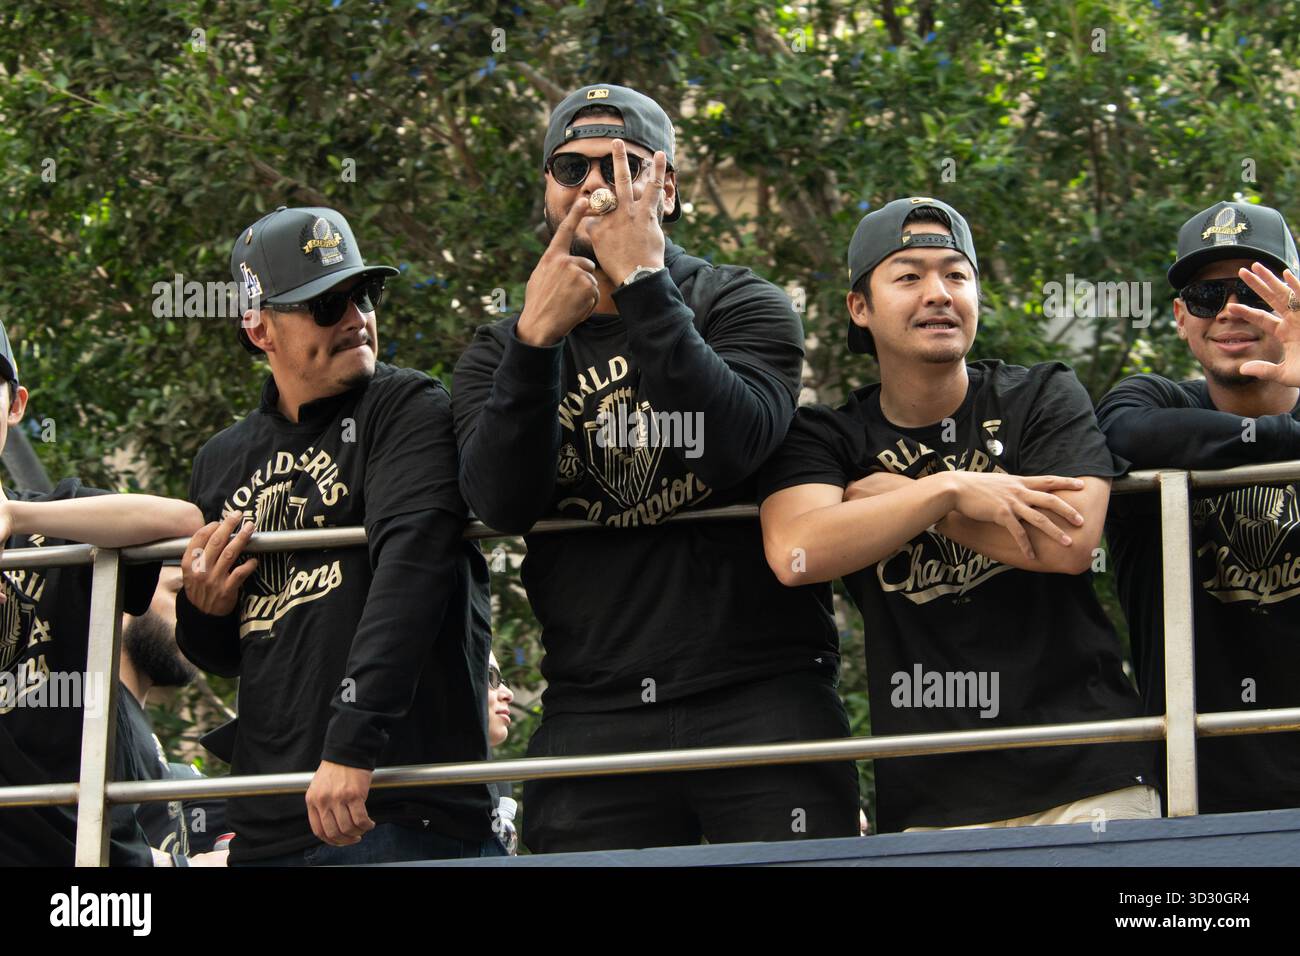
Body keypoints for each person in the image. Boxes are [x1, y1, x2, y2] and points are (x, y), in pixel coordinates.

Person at [453, 84, 858, 853]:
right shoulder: (501, 346)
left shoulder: (741, 302)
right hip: (594, 704)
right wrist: (536, 346)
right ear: (546, 190)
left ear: (667, 187)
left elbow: (730, 443)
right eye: (570, 168)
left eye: (624, 165)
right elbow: (500, 501)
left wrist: (643, 284)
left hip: (762, 693)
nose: (595, 187)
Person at [757, 197, 1158, 832]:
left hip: (1091, 772)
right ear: (859, 307)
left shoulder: (1040, 395)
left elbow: (1068, 545)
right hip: (934, 797)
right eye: (909, 276)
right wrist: (944, 491)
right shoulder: (827, 437)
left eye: (956, 275)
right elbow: (796, 551)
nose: (938, 293)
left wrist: (900, 500)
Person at [175, 206, 500, 865]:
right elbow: (231, 651)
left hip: (398, 812)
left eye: (363, 295)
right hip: (269, 826)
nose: (357, 318)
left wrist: (352, 747)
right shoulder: (222, 460)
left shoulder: (406, 407)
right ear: (259, 326)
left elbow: (413, 573)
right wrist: (202, 608)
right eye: (326, 304)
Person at [1097, 200, 1300, 813]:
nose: (1232, 314)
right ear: (1183, 317)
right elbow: (1124, 437)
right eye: (1211, 297)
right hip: (1194, 788)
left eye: (1255, 293)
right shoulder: (1149, 400)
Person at [0, 320, 204, 864]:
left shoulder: (55, 523)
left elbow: (182, 521)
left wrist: (13, 513)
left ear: (16, 405)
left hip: (82, 857)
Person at [117, 561, 231, 864]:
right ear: (123, 598)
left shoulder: (133, 723)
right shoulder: (92, 713)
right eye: (181, 593)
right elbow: (73, 838)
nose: (198, 619)